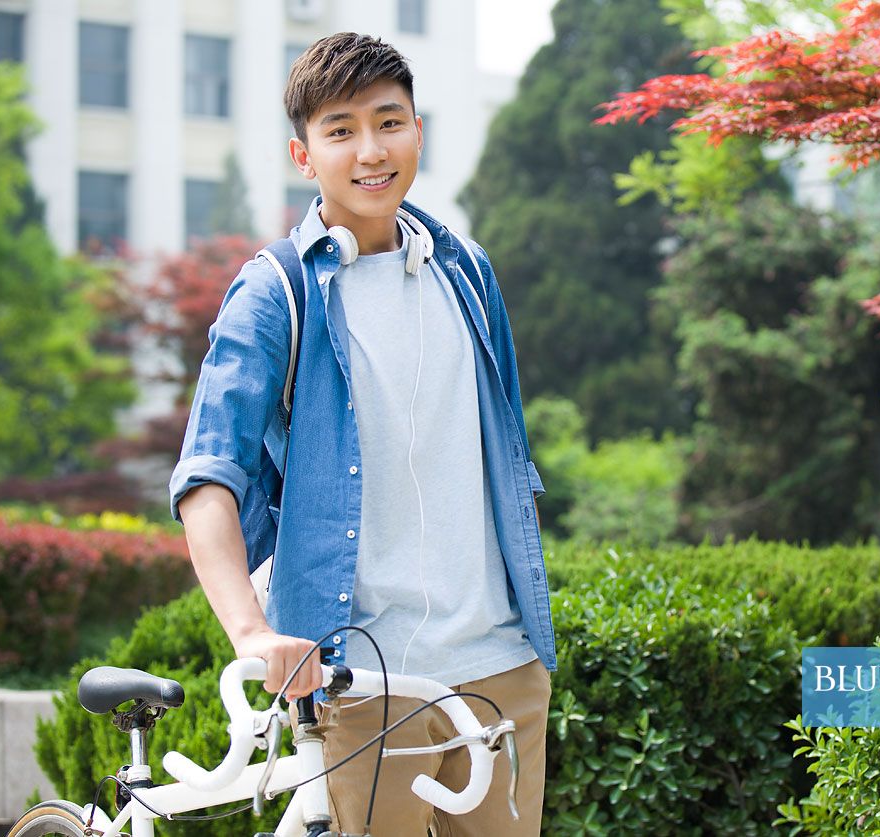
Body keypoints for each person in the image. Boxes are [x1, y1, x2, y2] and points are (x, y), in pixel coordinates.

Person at [169, 31, 554, 836]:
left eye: (389, 122)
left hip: (502, 668)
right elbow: (208, 475)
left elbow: (505, 452)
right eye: (340, 130)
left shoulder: (468, 272)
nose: (371, 150)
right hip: (360, 680)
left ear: (418, 130)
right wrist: (253, 632)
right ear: (303, 155)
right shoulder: (275, 293)